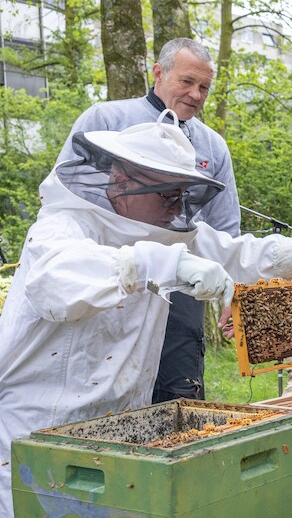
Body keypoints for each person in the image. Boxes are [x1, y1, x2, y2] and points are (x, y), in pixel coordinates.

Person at [0, 114, 292, 518]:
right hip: (37, 424)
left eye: (181, 195)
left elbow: (236, 252)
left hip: (119, 421)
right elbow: (54, 281)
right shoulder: (62, 228)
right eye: (167, 194)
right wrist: (152, 264)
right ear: (122, 182)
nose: (176, 208)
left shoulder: (166, 232)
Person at [55, 38, 237, 404]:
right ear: (158, 73)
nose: (196, 94)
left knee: (179, 392)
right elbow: (67, 202)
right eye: (187, 81)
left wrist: (232, 291)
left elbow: (225, 228)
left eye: (204, 87)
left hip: (181, 287)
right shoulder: (105, 120)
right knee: (106, 389)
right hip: (110, 280)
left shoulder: (213, 146)